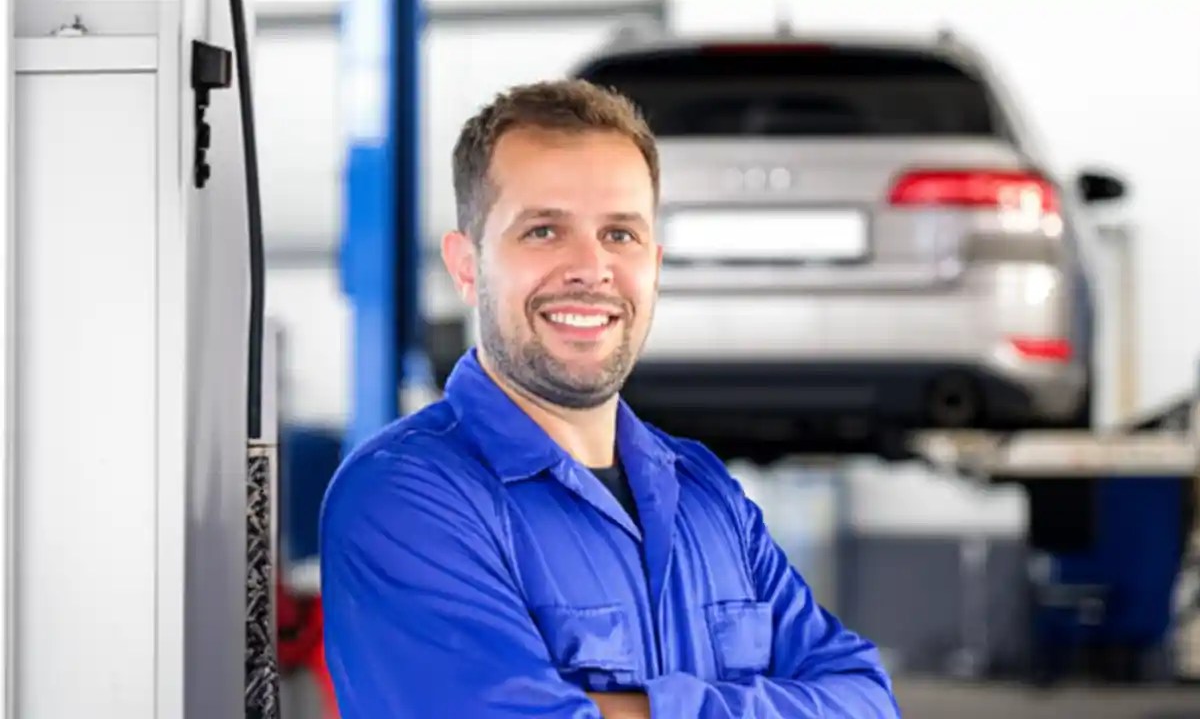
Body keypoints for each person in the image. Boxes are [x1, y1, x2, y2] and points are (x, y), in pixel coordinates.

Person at [319, 78, 901, 719]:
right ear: (466, 265)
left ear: (655, 263)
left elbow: (865, 699)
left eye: (620, 235)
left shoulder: (707, 495)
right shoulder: (406, 499)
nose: (591, 269)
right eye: (544, 231)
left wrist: (625, 710)